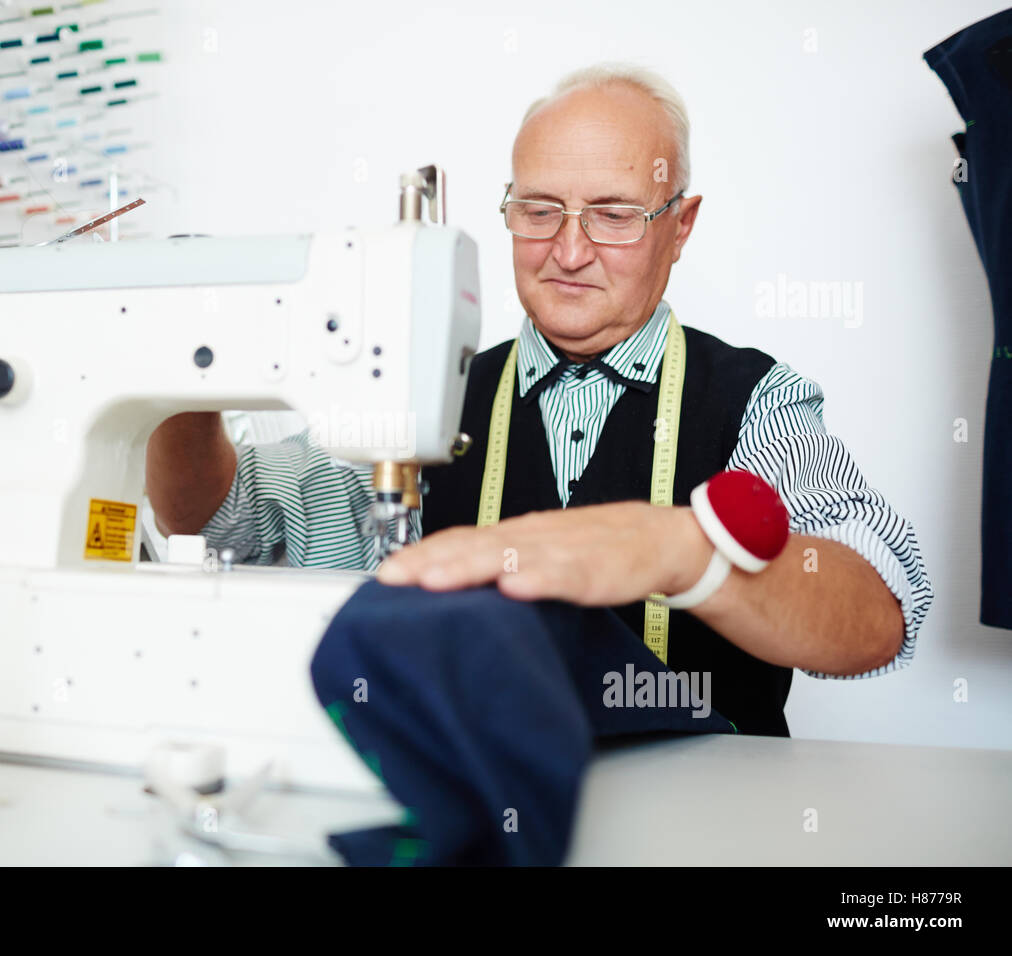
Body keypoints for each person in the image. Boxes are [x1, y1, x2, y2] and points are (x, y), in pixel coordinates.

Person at [146, 63, 933, 736]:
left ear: (681, 224)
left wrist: (678, 550)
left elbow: (877, 617)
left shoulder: (756, 402)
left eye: (615, 215)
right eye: (538, 210)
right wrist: (190, 364)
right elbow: (225, 520)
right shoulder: (430, 398)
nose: (568, 251)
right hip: (497, 812)